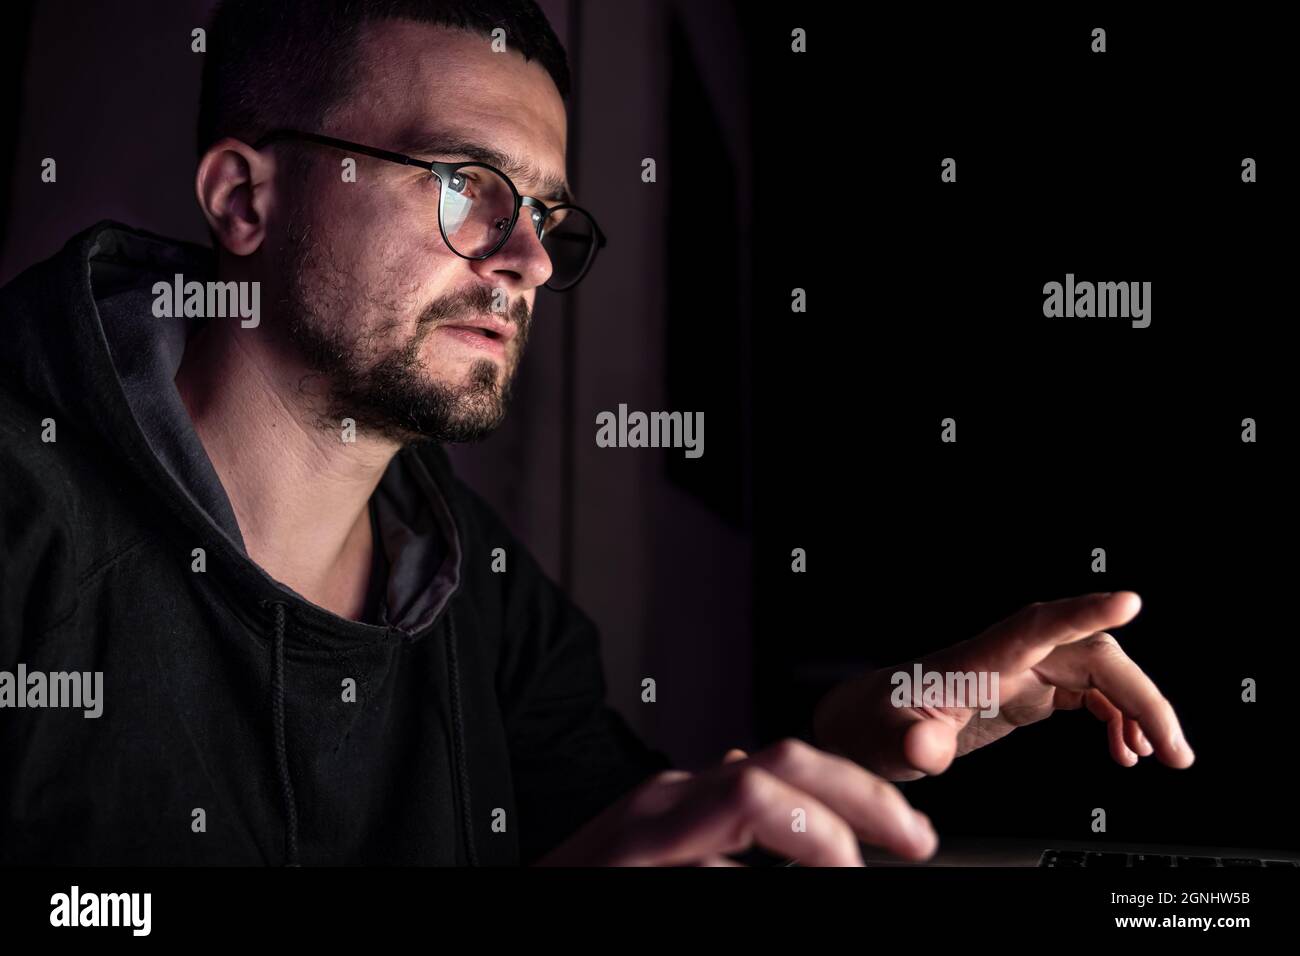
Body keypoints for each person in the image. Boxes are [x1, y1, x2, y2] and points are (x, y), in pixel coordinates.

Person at [0, 0, 1193, 867]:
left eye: (548, 218)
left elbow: (633, 817)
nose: (526, 263)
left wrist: (886, 728)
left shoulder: (481, 586)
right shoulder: (24, 518)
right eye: (466, 185)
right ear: (244, 199)